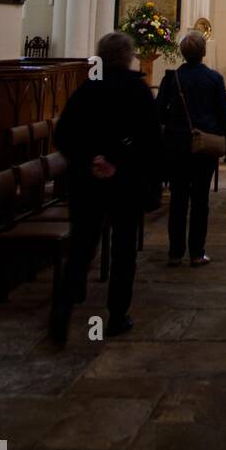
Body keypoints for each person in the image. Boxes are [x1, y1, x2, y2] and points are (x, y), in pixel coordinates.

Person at [50, 31, 162, 343]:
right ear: (128, 56)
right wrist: (117, 162)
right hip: (125, 184)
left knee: (82, 246)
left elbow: (63, 136)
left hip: (87, 184)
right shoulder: (137, 90)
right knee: (124, 250)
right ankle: (116, 316)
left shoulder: (87, 90)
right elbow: (151, 140)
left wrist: (91, 159)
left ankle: (61, 314)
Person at [156, 32, 226, 267]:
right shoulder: (213, 78)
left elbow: (159, 112)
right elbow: (223, 113)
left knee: (178, 198)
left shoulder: (171, 79)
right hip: (205, 145)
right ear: (203, 53)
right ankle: (197, 252)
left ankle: (175, 252)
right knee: (201, 200)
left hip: (177, 146)